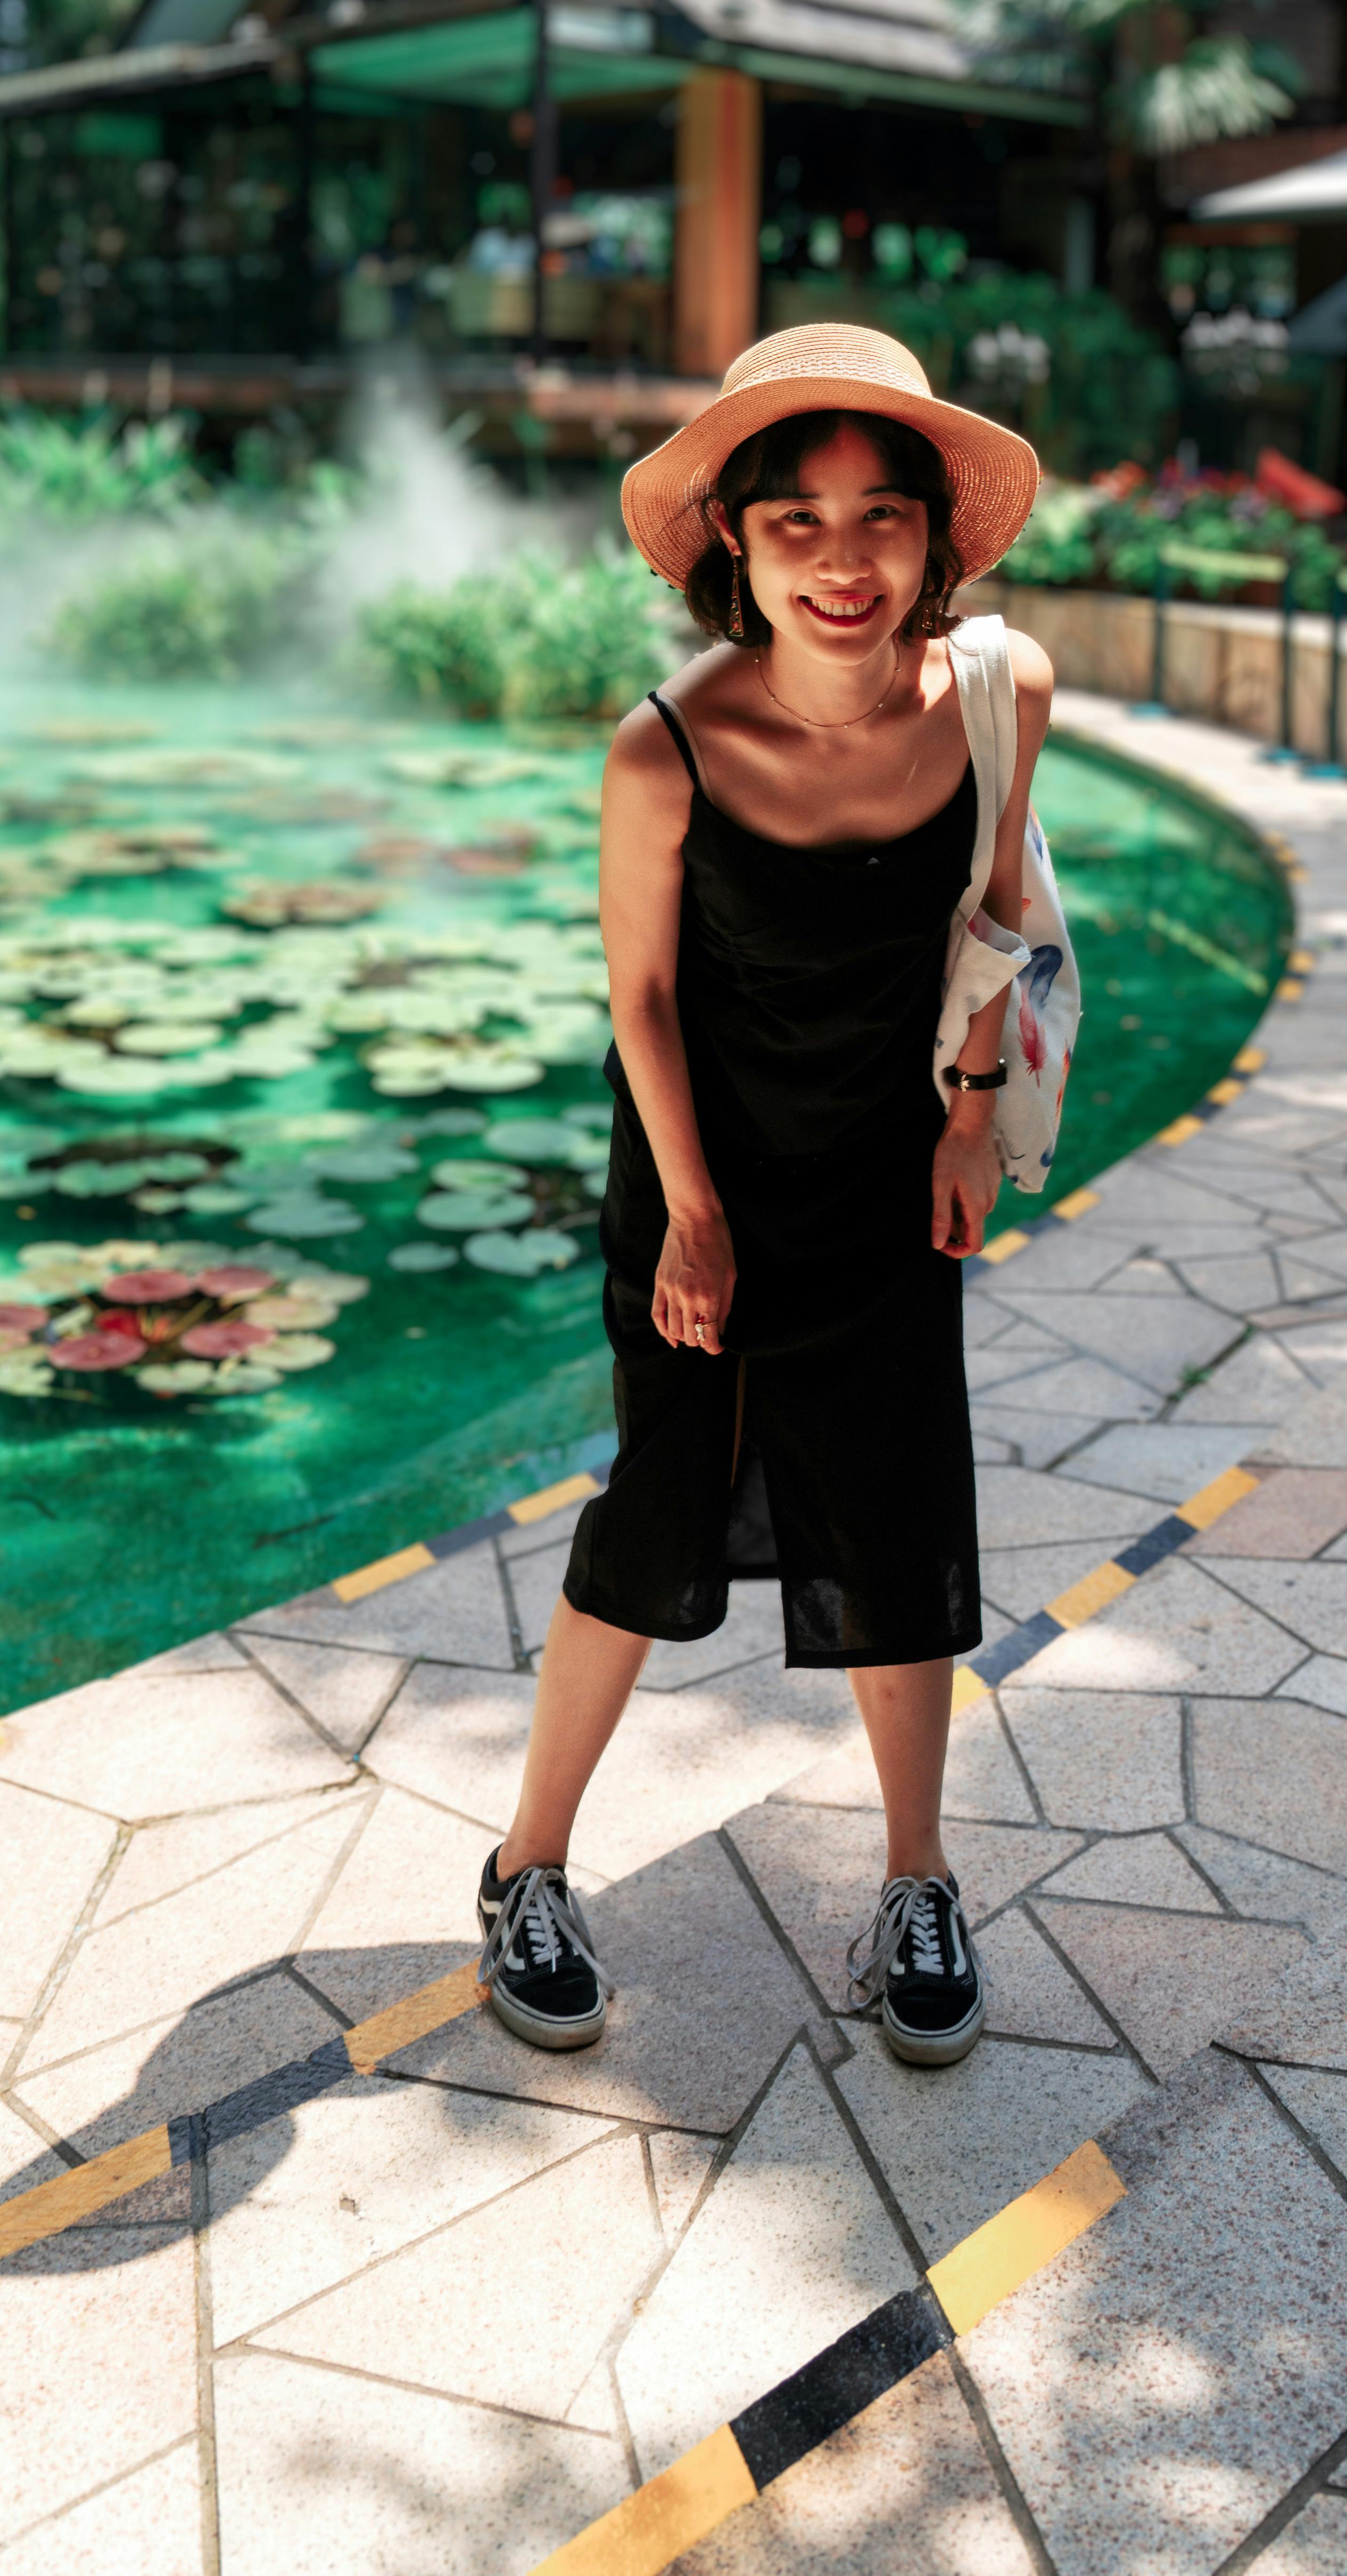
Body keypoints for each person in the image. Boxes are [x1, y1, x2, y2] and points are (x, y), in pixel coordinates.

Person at [477, 326, 1055, 2071]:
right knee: (658, 1510)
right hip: (697, 1180)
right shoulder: (661, 751)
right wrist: (692, 1213)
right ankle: (524, 1865)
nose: (841, 558)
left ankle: (917, 1884)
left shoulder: (998, 692)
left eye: (881, 515)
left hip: (890, 1169)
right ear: (732, 540)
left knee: (901, 1512)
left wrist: (969, 1118)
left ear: (934, 540)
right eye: (794, 520)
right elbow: (641, 1004)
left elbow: (999, 910)